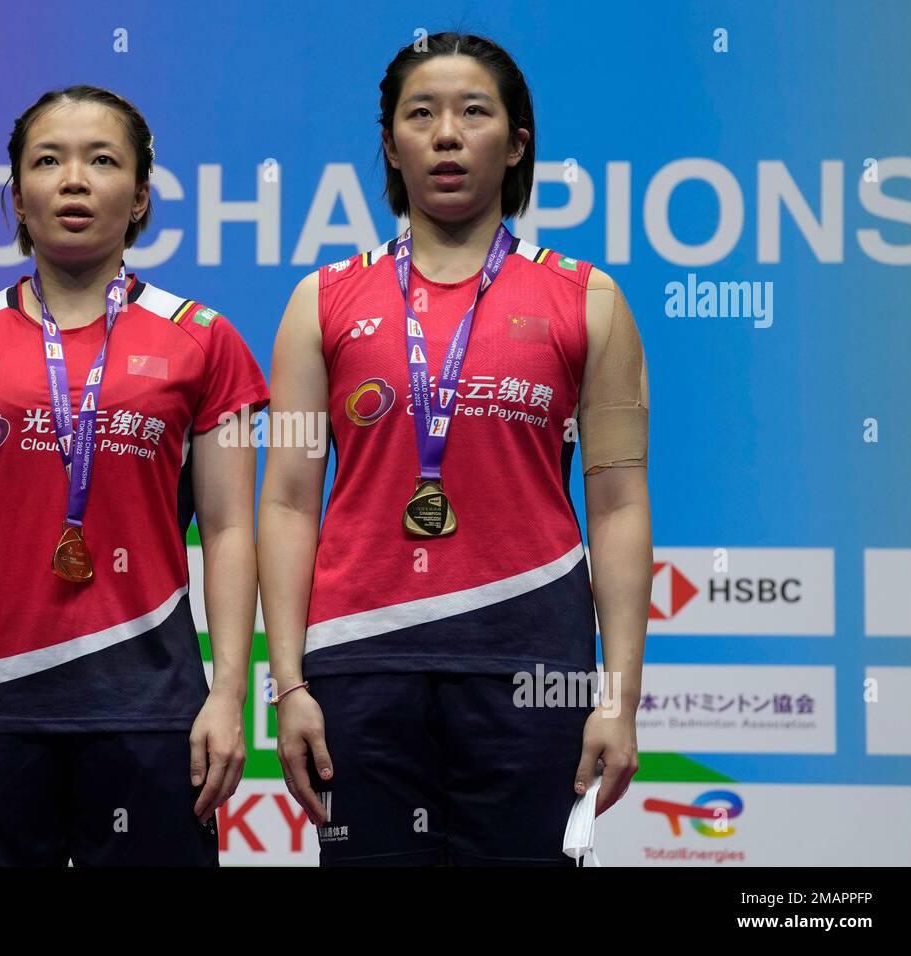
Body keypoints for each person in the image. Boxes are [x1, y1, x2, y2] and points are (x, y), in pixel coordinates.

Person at [259, 33, 651, 866]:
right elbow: (289, 500)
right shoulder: (319, 302)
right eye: (420, 114)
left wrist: (616, 698)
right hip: (360, 663)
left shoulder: (590, 300)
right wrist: (287, 682)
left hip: (533, 666)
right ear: (391, 145)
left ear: (515, 144)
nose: (446, 134)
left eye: (474, 113)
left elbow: (617, 506)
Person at [0, 85, 269, 866]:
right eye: (48, 161)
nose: (75, 180)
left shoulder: (205, 342)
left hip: (153, 717)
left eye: (103, 160)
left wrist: (230, 696)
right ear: (16, 197)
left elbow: (229, 531)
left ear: (142, 195)